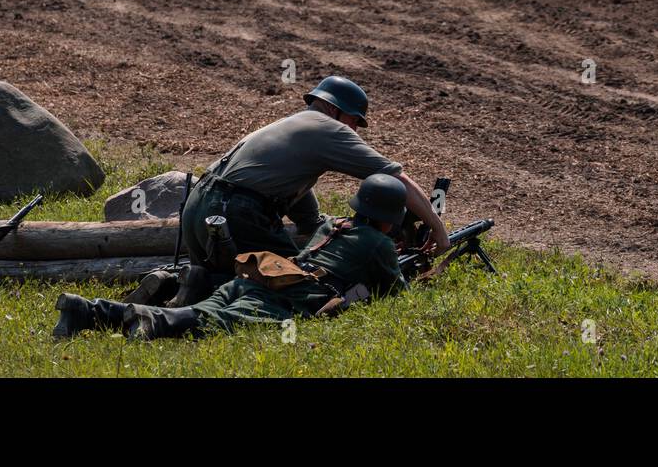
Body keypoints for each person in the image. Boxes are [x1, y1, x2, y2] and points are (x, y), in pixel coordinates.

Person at [54, 174, 411, 341]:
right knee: (216, 323)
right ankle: (151, 324)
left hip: (259, 276)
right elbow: (396, 290)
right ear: (388, 219)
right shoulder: (378, 245)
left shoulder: (334, 225)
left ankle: (88, 310)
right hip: (287, 295)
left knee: (204, 312)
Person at [181, 76, 447, 270]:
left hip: (198, 206)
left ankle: (193, 287)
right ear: (334, 109)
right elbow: (395, 177)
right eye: (354, 121)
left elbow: (303, 211)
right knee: (298, 280)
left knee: (224, 277)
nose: (354, 131)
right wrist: (437, 227)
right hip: (235, 210)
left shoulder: (292, 125)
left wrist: (326, 227)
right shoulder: (328, 128)